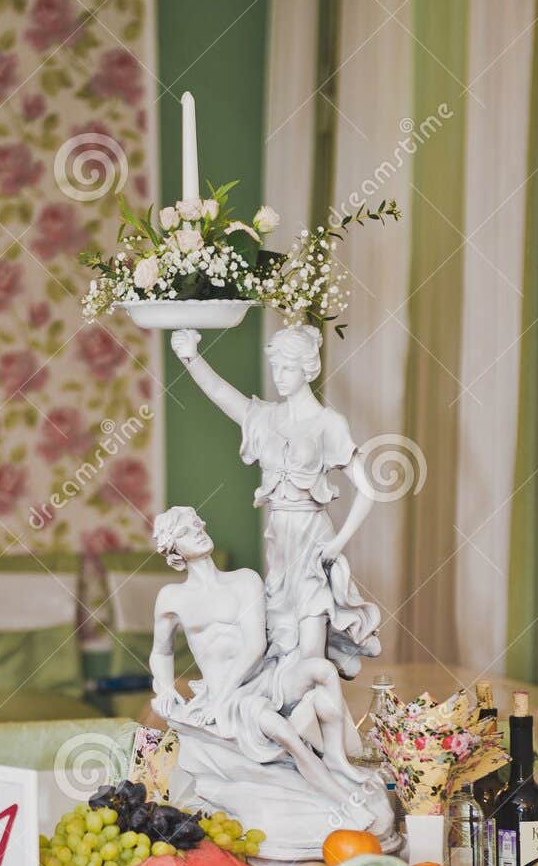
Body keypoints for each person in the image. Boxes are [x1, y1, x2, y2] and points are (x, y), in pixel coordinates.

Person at [169, 323, 381, 677]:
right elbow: (221, 393)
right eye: (275, 367)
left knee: (311, 648)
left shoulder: (328, 424)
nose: (279, 376)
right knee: (284, 643)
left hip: (313, 540)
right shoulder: (265, 418)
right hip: (280, 541)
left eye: (287, 367)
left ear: (307, 369)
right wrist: (191, 357)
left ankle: (318, 723)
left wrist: (339, 542)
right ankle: (298, 720)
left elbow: (369, 487)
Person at [149, 506, 373, 807]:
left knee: (322, 669)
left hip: (263, 678)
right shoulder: (171, 597)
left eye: (197, 525)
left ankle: (335, 757)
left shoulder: (244, 580)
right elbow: (161, 651)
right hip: (228, 697)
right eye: (186, 532)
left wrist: (221, 699)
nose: (198, 532)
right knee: (284, 734)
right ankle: (341, 802)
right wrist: (164, 687)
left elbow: (254, 647)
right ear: (173, 550)